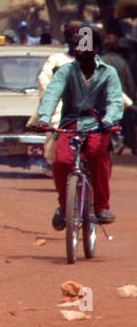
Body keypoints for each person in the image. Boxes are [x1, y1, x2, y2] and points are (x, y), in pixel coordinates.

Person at [36, 26, 124, 228]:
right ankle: (64, 206)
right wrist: (44, 117)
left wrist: (109, 120)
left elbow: (115, 101)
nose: (79, 49)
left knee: (96, 153)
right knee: (61, 161)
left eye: (85, 46)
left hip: (98, 124)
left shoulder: (109, 73)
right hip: (71, 122)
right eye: (77, 45)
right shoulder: (65, 71)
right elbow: (52, 94)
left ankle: (102, 206)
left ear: (96, 49)